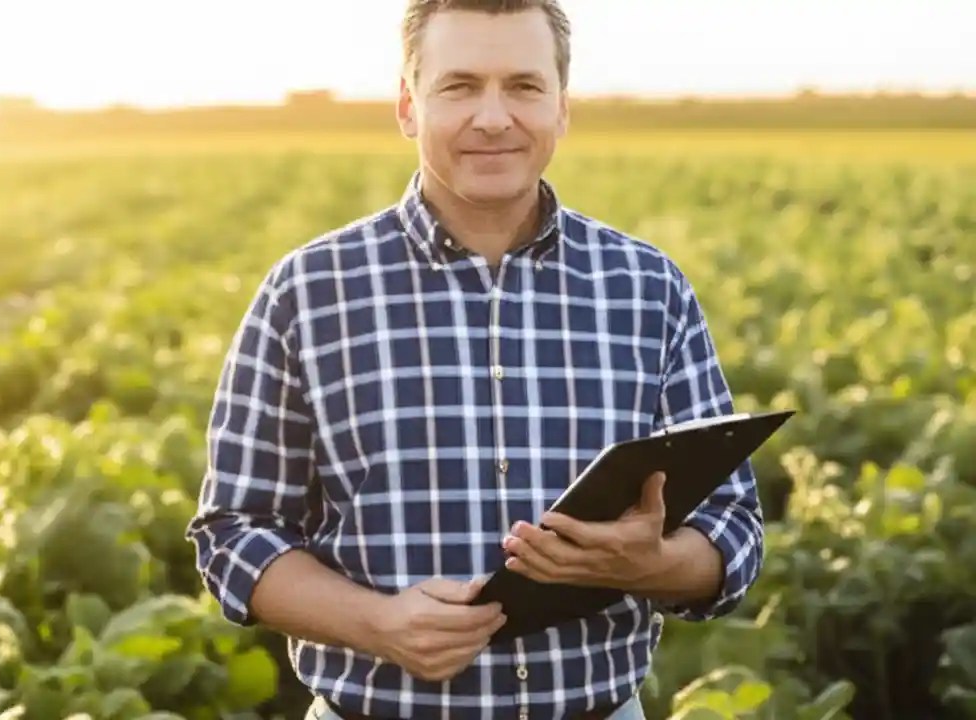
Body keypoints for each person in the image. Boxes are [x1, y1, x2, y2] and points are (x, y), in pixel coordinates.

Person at [185, 1, 764, 718]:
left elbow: (733, 525)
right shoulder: (308, 292)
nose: (494, 117)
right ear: (408, 106)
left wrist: (656, 565)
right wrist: (377, 625)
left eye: (523, 86)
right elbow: (234, 535)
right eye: (459, 87)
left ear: (561, 109)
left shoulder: (648, 287)